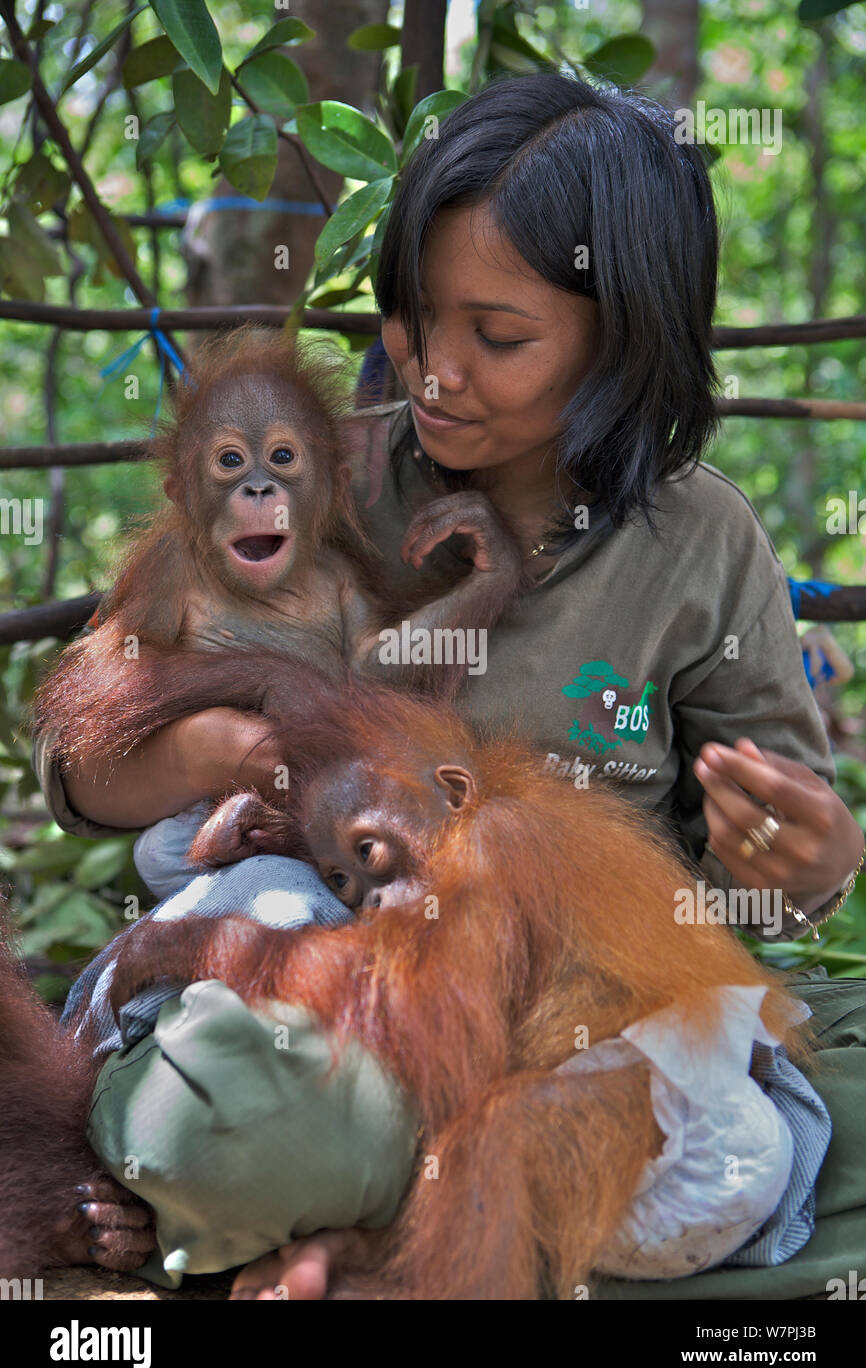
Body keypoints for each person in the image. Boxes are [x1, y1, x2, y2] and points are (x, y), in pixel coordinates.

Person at [34, 72, 865, 1300]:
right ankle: (366, 1205)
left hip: (570, 1003)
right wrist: (240, 758)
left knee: (736, 1148)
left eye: (500, 336)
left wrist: (804, 865)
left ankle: (349, 1225)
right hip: (317, 967)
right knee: (234, 1074)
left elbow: (759, 884)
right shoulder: (308, 480)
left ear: (622, 341)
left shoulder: (700, 547)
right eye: (414, 320)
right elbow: (84, 761)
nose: (434, 371)